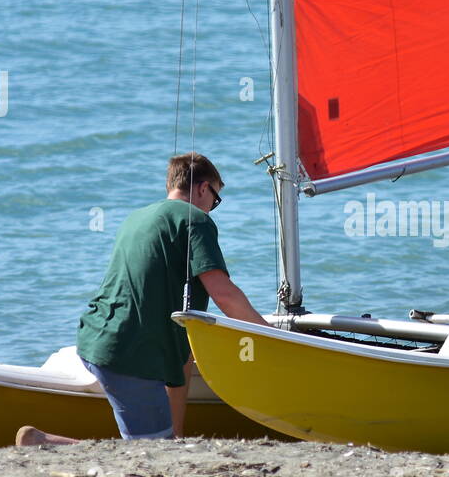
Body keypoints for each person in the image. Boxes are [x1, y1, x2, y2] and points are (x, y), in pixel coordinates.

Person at [17, 152, 269, 446]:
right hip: (128, 353)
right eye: (215, 200)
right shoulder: (196, 221)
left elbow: (181, 358)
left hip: (96, 337)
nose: (212, 208)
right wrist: (267, 336)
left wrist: (176, 435)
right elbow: (224, 294)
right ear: (203, 188)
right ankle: (41, 442)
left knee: (162, 446)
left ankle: (159, 440)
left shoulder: (138, 218)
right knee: (148, 454)